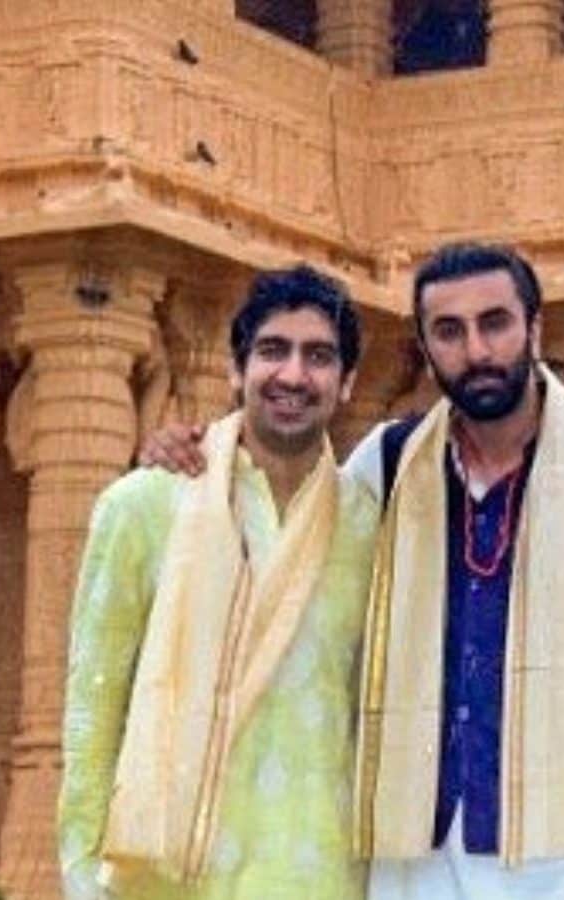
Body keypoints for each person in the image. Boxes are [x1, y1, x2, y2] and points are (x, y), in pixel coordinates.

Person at [140, 243, 564, 900]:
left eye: (494, 323)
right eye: (449, 331)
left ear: (534, 327)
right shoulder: (387, 463)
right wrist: (200, 454)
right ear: (424, 345)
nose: (476, 351)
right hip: (411, 857)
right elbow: (283, 518)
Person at [57, 265, 379, 900]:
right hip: (171, 883)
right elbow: (93, 708)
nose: (292, 375)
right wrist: (84, 876)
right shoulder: (147, 506)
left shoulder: (373, 527)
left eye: (318, 357)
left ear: (347, 384)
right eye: (271, 351)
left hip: (323, 877)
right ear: (236, 371)